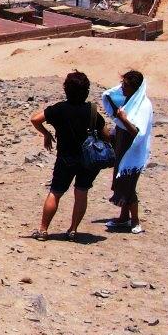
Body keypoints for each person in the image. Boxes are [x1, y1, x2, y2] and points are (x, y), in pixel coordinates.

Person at [29, 70, 108, 241]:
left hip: (66, 157)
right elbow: (106, 134)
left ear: (66, 90)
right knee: (81, 193)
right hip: (89, 160)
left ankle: (43, 230)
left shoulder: (59, 109)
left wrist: (46, 134)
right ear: (86, 91)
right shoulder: (92, 111)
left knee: (55, 192)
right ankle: (73, 230)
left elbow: (35, 119)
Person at [102, 70, 153, 235]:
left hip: (133, 151)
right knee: (120, 181)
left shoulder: (144, 105)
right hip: (122, 147)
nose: (122, 88)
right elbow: (110, 94)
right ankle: (124, 217)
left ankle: (135, 220)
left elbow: (138, 132)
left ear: (135, 88)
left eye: (125, 85)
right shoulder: (129, 101)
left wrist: (123, 119)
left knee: (129, 185)